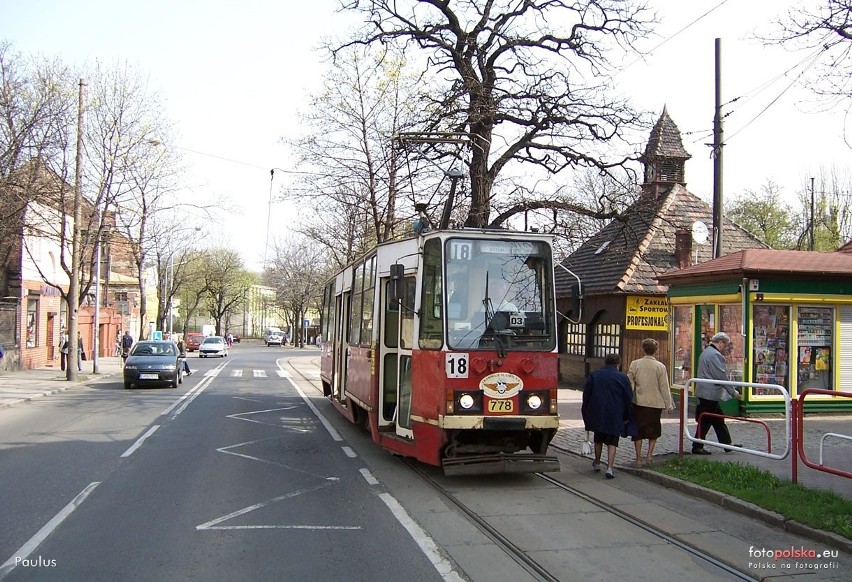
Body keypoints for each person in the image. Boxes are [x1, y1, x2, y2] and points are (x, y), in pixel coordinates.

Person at [581, 353, 635, 479]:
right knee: (613, 440)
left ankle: (597, 461)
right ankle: (610, 467)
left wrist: (586, 412)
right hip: (615, 412)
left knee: (598, 438)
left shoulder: (595, 375)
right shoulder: (622, 377)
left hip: (598, 410)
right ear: (618, 364)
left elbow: (586, 395)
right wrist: (627, 415)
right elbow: (628, 398)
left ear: (605, 362)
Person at [627, 338, 675, 467]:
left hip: (639, 402)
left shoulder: (635, 364)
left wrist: (629, 397)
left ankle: (638, 459)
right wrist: (668, 404)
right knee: (653, 430)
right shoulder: (660, 366)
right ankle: (649, 455)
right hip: (655, 403)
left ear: (643, 349)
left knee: (638, 431)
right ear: (656, 351)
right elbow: (664, 386)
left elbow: (630, 382)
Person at [693, 332, 741, 455]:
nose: (725, 348)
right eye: (725, 345)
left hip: (706, 391)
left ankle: (727, 444)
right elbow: (720, 375)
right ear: (720, 342)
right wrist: (732, 391)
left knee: (718, 419)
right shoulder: (714, 355)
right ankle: (697, 446)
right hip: (710, 393)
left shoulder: (706, 352)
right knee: (707, 420)